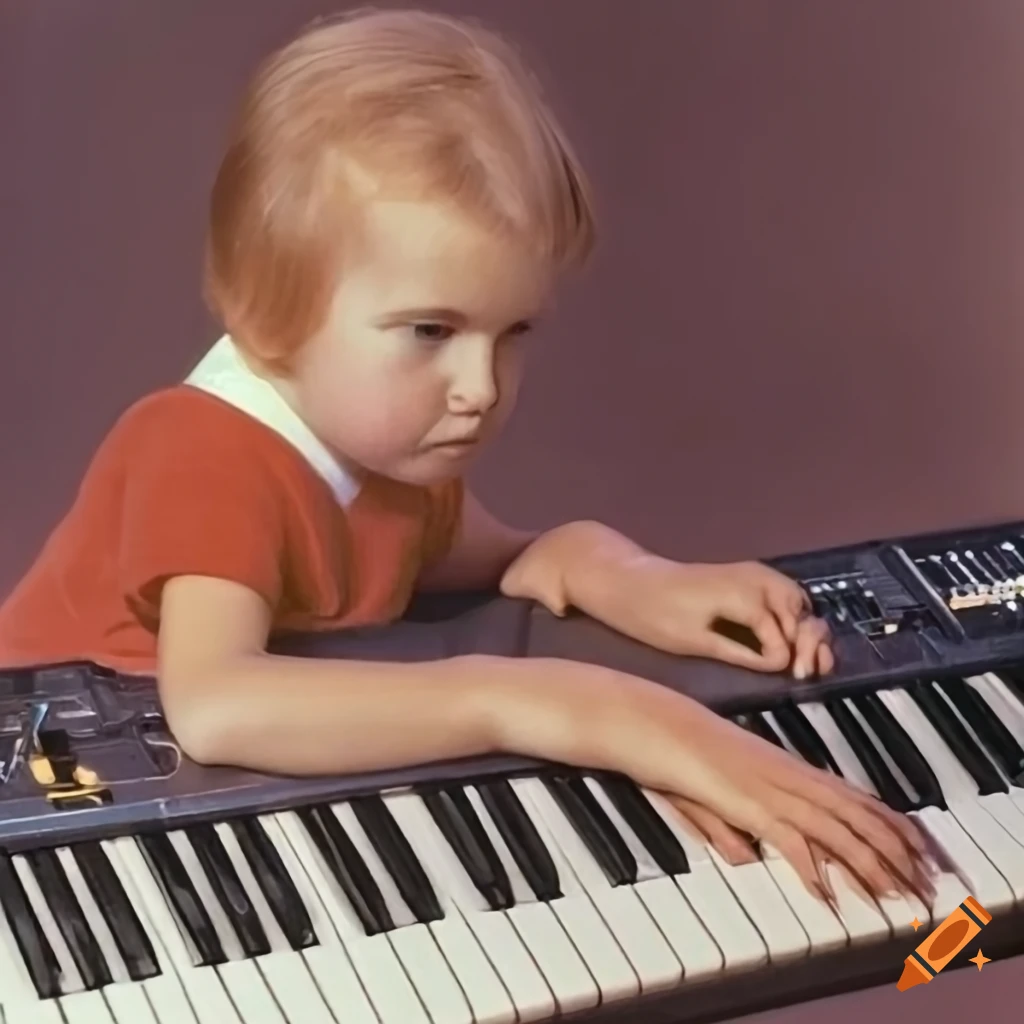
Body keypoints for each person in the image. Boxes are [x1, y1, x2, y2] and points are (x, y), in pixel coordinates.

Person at [0, 7, 931, 906]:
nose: (481, 386)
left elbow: (511, 555)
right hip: (64, 821)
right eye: (430, 330)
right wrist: (566, 707)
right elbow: (217, 704)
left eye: (513, 330)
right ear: (263, 310)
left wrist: (629, 572)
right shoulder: (198, 450)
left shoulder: (392, 456)